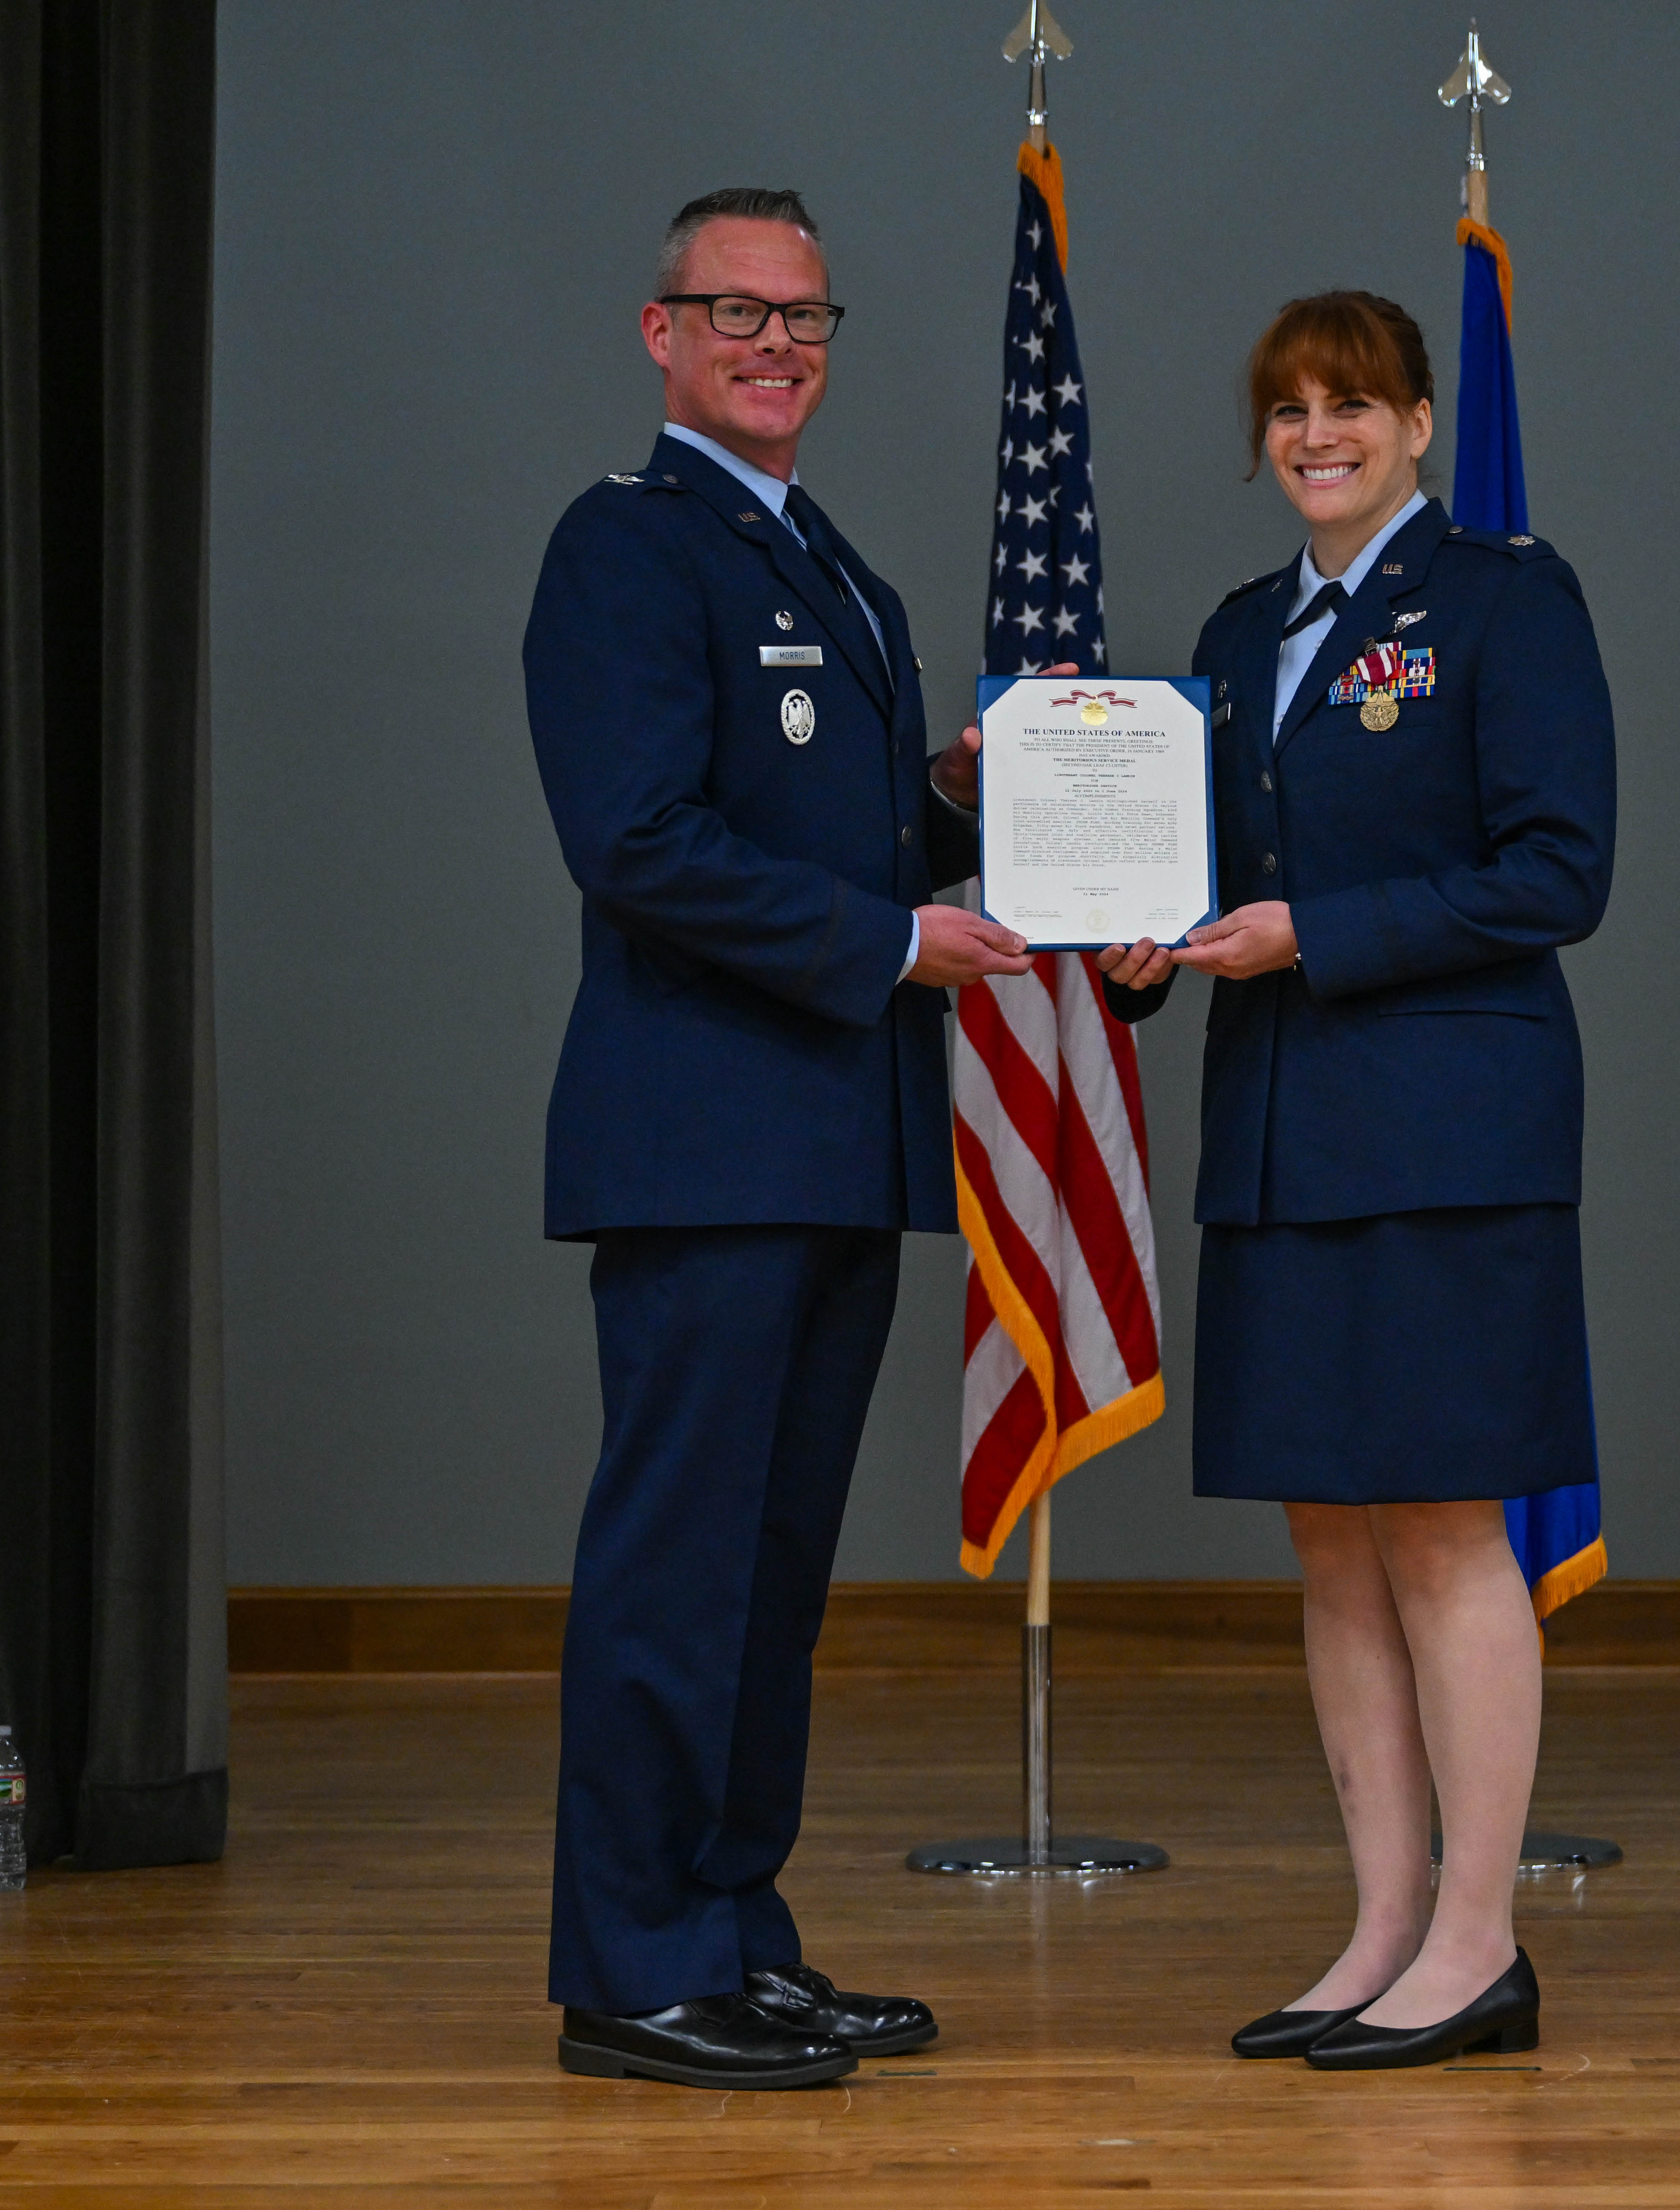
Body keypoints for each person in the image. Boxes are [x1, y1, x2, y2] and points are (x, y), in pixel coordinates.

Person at [521, 188, 1038, 2091]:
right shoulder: (627, 546)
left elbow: (831, 835)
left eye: (804, 318)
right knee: (677, 1571)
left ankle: (734, 1933)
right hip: (705, 1143)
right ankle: (633, 1969)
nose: (773, 345)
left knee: (769, 1577)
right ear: (660, 331)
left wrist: (962, 809)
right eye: (733, 311)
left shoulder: (835, 568)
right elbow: (637, 840)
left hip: (831, 1139)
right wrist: (899, 939)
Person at [1099, 292, 1615, 2069]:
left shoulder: (1505, 601)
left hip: (1447, 1138)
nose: (1317, 436)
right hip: (1279, 1132)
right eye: (1288, 412)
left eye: (1352, 405)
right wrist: (1143, 943)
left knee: (1447, 1526)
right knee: (1330, 1536)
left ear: (1415, 424)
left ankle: (1480, 1940)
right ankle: (1386, 1923)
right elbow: (1196, 873)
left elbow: (1557, 872)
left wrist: (1311, 931)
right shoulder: (1239, 635)